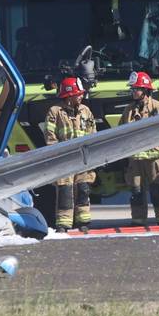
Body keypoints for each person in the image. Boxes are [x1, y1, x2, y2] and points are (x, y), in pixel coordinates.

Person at [121, 71, 159, 227]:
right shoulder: (129, 110)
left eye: (136, 89)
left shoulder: (158, 107)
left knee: (158, 190)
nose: (133, 92)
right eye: (133, 89)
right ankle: (138, 220)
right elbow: (120, 132)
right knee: (136, 192)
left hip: (155, 159)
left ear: (145, 90)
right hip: (136, 160)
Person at [45, 77, 96, 232]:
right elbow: (50, 136)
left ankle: (83, 222)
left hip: (82, 159)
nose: (81, 96)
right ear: (69, 95)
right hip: (64, 160)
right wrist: (58, 155)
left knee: (83, 189)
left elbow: (93, 133)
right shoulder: (55, 112)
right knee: (65, 191)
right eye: (78, 93)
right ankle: (63, 224)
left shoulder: (86, 111)